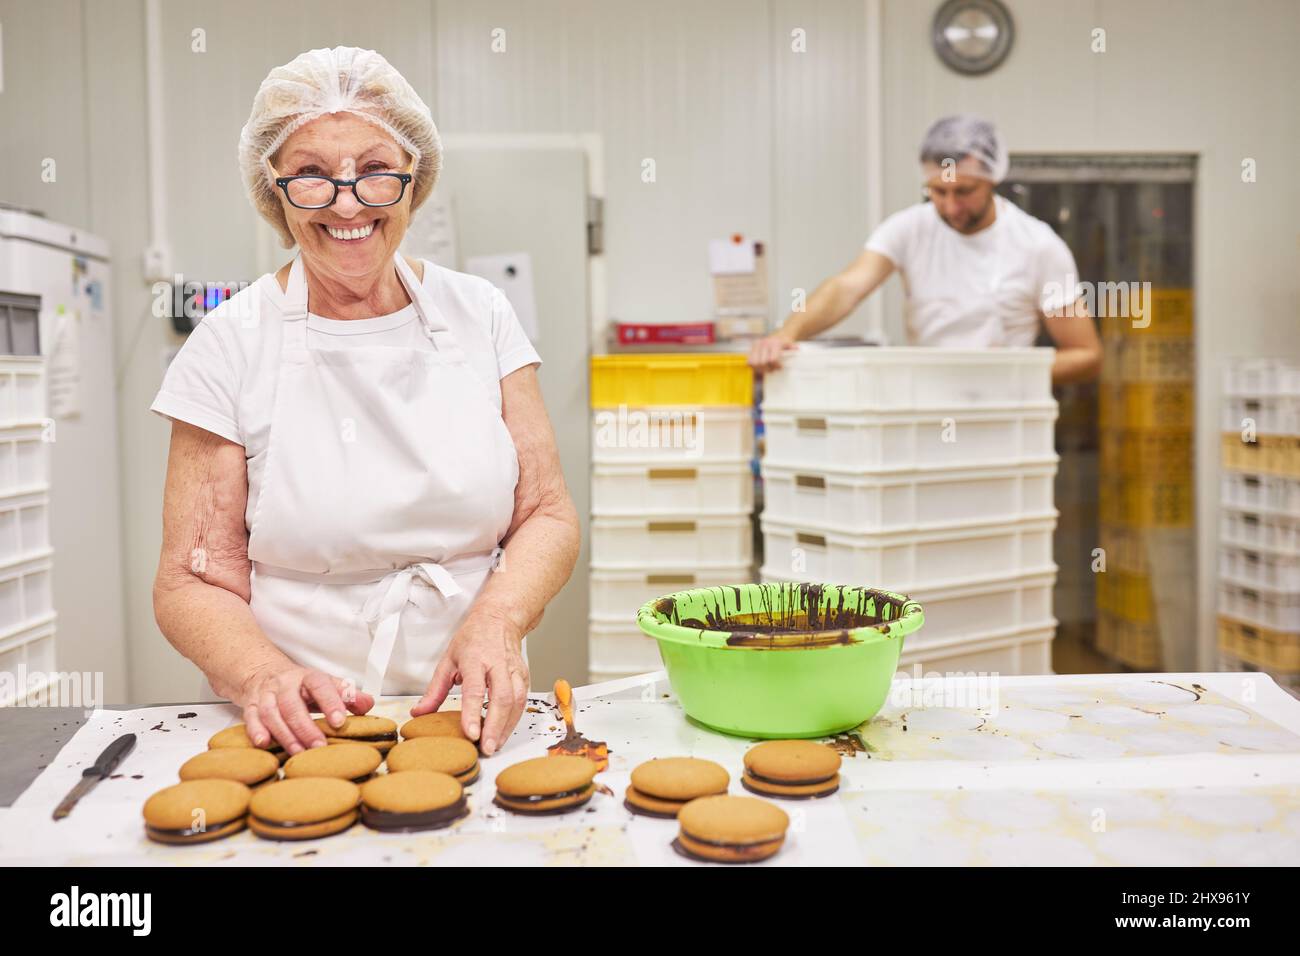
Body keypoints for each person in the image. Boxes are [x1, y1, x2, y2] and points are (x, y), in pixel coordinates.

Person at [151, 47, 580, 759]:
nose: (347, 203)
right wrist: (263, 676)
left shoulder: (481, 314)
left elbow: (548, 514)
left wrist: (500, 620)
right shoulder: (230, 342)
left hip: (474, 715)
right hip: (295, 732)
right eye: (312, 177)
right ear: (276, 190)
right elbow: (191, 581)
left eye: (376, 172)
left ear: (415, 180)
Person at [750, 115, 1101, 383]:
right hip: (928, 408)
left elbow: (1086, 353)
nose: (950, 207)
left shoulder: (1038, 246)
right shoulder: (910, 228)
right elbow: (847, 288)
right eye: (937, 192)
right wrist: (786, 334)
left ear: (992, 180)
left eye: (964, 191)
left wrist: (1001, 374)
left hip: (1008, 415)